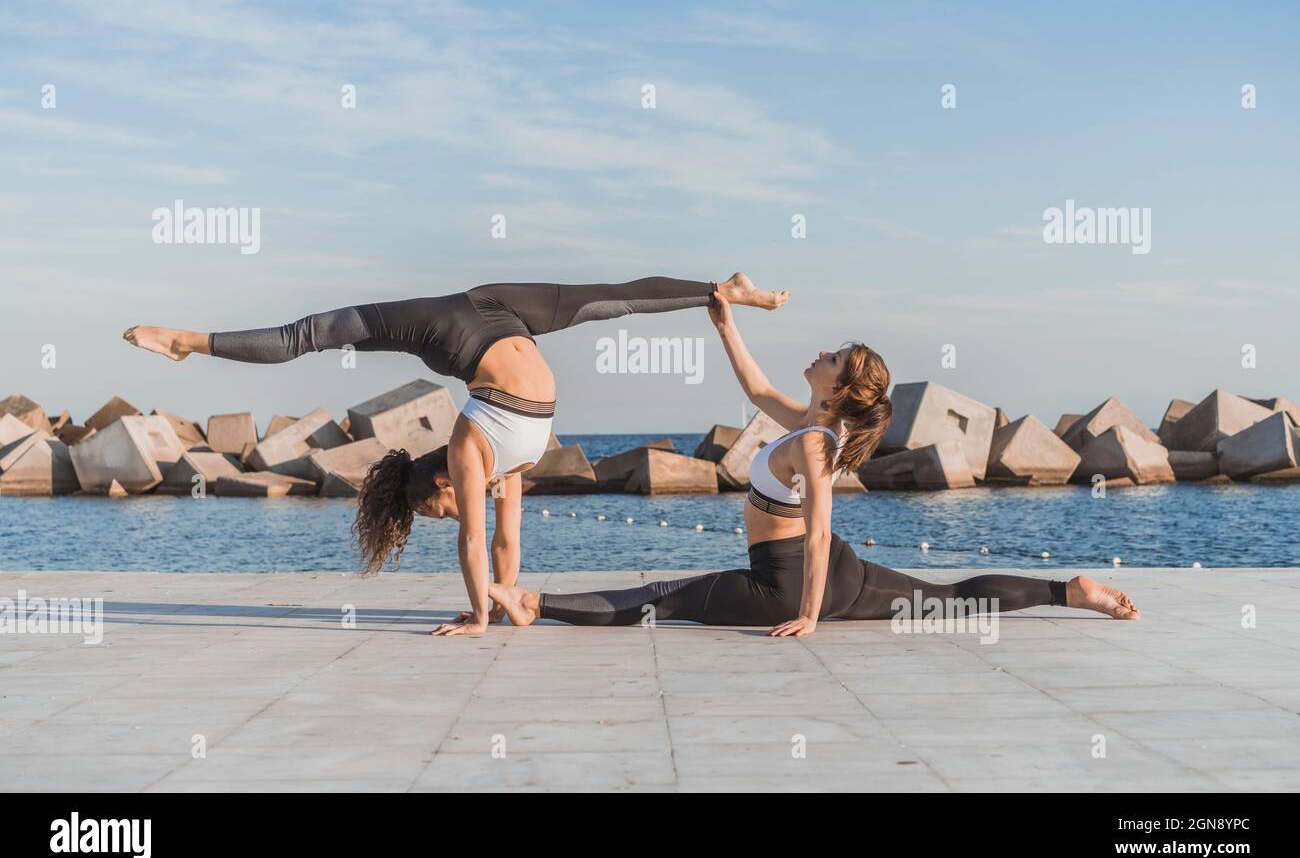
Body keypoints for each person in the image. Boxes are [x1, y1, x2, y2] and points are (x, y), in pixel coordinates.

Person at [123, 273, 789, 635]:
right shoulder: (506, 463)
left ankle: (189, 340)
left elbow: (472, 539)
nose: (451, 514)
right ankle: (717, 292)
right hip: (500, 316)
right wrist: (506, 597)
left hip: (449, 328)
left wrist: (476, 613)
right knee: (600, 303)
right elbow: (503, 543)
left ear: (438, 482)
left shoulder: (472, 443)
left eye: (436, 511)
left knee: (315, 332)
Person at [489, 290, 1142, 635]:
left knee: (666, 597)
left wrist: (804, 614)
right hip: (841, 579)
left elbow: (821, 528)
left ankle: (533, 604)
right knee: (948, 600)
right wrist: (724, 325)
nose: (821, 352)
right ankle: (1068, 591)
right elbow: (754, 389)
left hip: (790, 582)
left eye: (832, 357)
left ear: (837, 388)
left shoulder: (810, 444)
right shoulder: (807, 425)